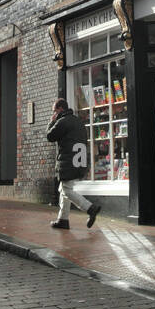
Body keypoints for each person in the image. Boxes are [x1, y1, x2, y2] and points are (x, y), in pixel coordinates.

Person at [45, 98, 101, 230]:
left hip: (68, 161)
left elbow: (50, 136)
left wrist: (51, 122)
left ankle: (90, 208)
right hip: (79, 161)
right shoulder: (78, 121)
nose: (53, 113)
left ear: (60, 109)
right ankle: (63, 220)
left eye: (54, 111)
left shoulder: (62, 121)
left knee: (66, 190)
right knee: (63, 189)